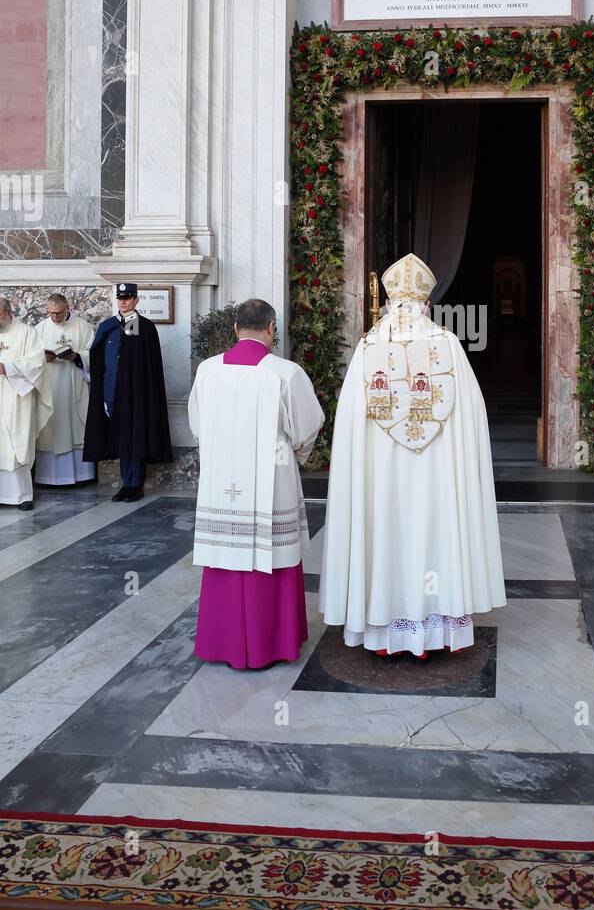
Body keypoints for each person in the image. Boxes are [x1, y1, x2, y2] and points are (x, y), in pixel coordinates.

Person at [319, 252, 506, 658]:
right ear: (425, 304)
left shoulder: (368, 347)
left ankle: (386, 631)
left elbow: (349, 420)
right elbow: (473, 415)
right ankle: (440, 627)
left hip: (381, 479)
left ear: (389, 304)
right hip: (438, 476)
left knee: (384, 536)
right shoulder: (449, 345)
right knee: (436, 534)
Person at [188, 297, 324, 670]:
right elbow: (308, 425)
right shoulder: (286, 373)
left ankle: (222, 642)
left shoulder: (208, 371)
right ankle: (272, 643)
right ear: (271, 329)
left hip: (221, 484)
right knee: (271, 554)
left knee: (224, 558)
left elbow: (198, 427)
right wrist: (296, 453)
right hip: (272, 483)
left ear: (234, 328)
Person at [83, 281, 173, 501]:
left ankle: (135, 484)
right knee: (121, 436)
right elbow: (98, 358)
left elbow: (147, 364)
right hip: (111, 390)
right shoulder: (107, 326)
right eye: (120, 298)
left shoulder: (144, 327)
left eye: (128, 298)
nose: (123, 302)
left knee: (134, 435)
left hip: (135, 393)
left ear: (136, 300)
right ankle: (126, 483)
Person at [34, 294, 96, 486]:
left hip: (74, 384)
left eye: (58, 313)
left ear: (67, 308)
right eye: (51, 313)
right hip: (49, 386)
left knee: (76, 423)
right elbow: (30, 357)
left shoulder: (82, 326)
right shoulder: (40, 328)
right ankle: (48, 478)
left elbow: (92, 352)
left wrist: (77, 357)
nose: (54, 317)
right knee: (51, 426)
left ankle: (81, 477)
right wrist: (43, 358)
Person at [0, 296, 52, 510]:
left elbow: (37, 361)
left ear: (8, 312)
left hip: (17, 396)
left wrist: (10, 368)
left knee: (17, 440)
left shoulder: (27, 333)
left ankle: (21, 496)